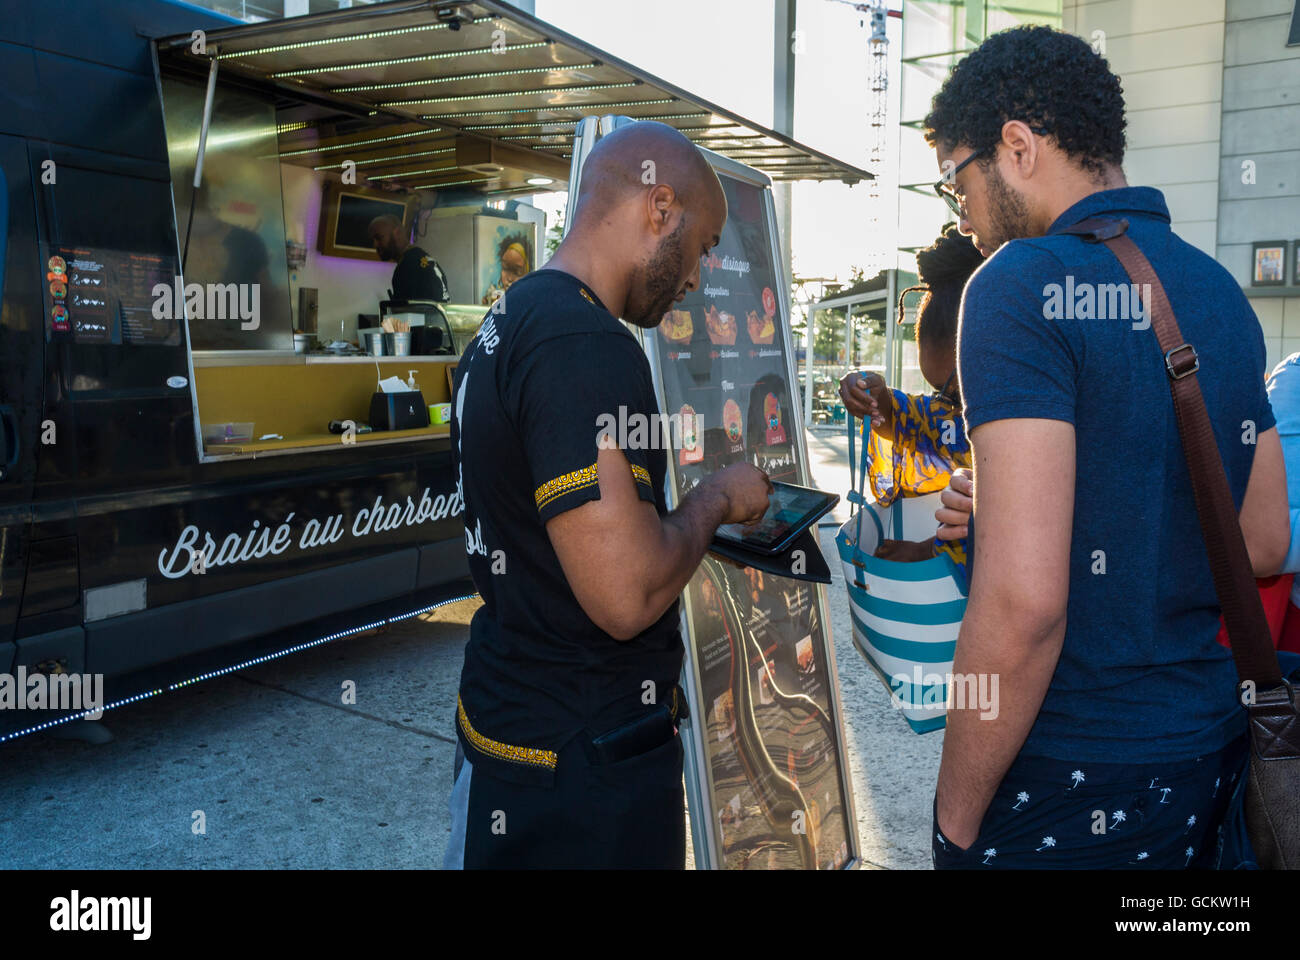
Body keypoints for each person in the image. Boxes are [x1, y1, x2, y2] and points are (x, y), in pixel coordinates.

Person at [920, 26, 1289, 870]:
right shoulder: (1218, 291)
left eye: (956, 182)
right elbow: (1264, 538)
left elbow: (1025, 606)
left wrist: (956, 816)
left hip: (1069, 774)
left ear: (1016, 146)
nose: (964, 215)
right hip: (1206, 765)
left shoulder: (1015, 287)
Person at [443, 121, 773, 869]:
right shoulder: (581, 344)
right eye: (702, 244)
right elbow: (625, 593)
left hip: (514, 735)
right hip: (575, 772)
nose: (697, 276)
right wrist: (716, 499)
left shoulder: (511, 318)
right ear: (660, 208)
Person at [838, 225, 984, 582]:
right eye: (936, 392)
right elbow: (913, 422)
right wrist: (877, 398)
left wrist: (926, 552)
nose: (944, 407)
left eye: (951, 393)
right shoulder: (949, 414)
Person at [367, 214, 450, 303]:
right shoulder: (420, 257)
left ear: (397, 233)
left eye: (379, 238)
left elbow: (406, 314)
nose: (375, 245)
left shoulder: (407, 266)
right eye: (373, 240)